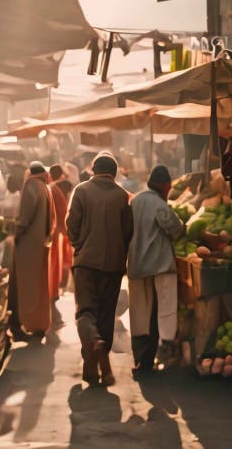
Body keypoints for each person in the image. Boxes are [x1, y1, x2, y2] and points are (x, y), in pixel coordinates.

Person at [66, 152, 133, 386]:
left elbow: (71, 223)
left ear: (93, 170)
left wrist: (79, 244)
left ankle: (94, 340)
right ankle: (96, 371)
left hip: (86, 263)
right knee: (105, 314)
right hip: (113, 266)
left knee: (86, 313)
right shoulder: (123, 196)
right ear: (114, 173)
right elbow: (128, 232)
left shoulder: (82, 190)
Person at [127, 165, 184, 373]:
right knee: (165, 310)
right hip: (160, 265)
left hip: (137, 265)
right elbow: (175, 230)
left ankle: (143, 359)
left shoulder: (136, 201)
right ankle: (166, 352)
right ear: (166, 186)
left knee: (141, 313)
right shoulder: (158, 204)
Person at [12, 161, 56, 340]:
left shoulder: (32, 185)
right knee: (39, 287)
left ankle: (21, 324)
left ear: (30, 172)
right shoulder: (46, 187)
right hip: (41, 245)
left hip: (28, 247)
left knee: (24, 288)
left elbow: (25, 217)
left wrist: (14, 235)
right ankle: (39, 325)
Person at [50, 164, 75, 290]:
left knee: (57, 258)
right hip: (65, 223)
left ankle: (58, 283)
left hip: (54, 226)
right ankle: (62, 283)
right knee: (66, 257)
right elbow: (70, 203)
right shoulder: (67, 184)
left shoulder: (50, 187)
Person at [48, 165, 70, 302]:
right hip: (56, 233)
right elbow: (64, 211)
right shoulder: (55, 188)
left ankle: (53, 290)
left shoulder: (49, 188)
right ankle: (54, 290)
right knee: (56, 264)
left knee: (54, 265)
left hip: (50, 233)